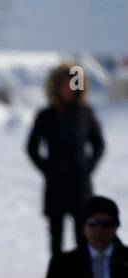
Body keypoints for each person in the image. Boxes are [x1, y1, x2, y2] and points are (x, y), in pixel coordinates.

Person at [26, 62, 106, 257]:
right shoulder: (46, 115)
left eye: (72, 84)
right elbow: (32, 148)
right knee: (56, 239)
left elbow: (98, 143)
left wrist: (88, 166)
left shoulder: (85, 113)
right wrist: (47, 169)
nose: (68, 89)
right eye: (63, 84)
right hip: (56, 185)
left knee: (83, 237)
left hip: (80, 184)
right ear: (55, 87)